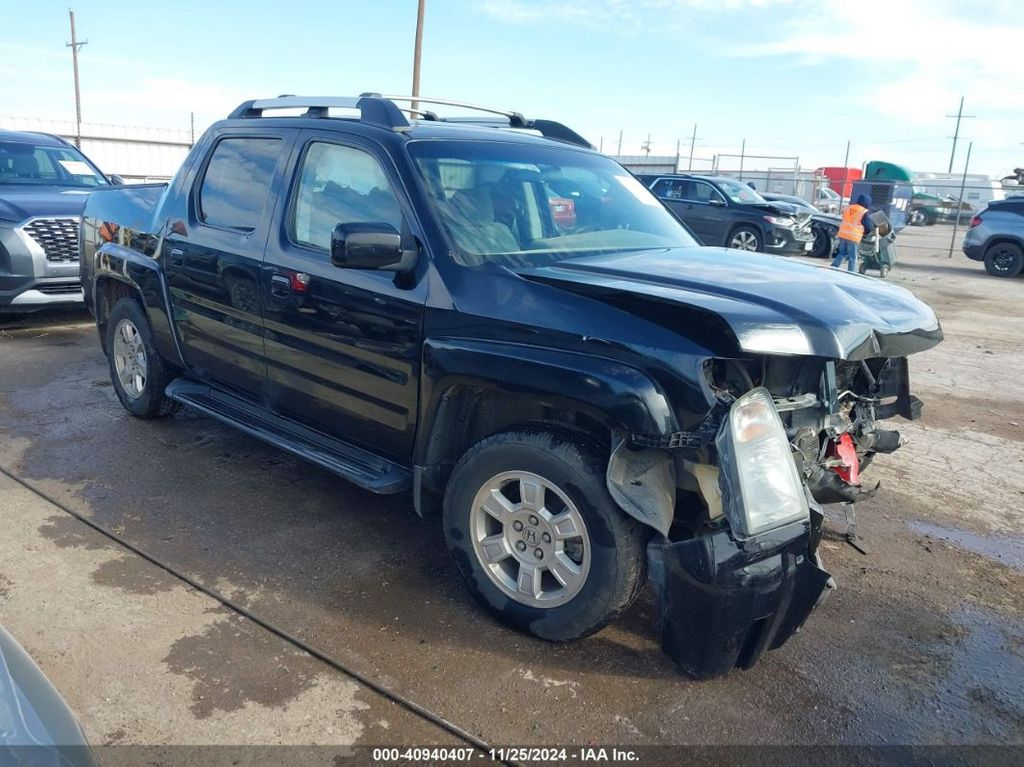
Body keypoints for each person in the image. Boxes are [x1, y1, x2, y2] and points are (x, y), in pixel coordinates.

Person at [832, 193, 873, 271]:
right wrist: (867, 232)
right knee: (853, 257)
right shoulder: (863, 211)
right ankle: (852, 272)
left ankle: (833, 267)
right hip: (853, 237)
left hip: (843, 234)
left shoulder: (849, 208)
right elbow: (868, 226)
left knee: (842, 253)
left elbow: (845, 218)